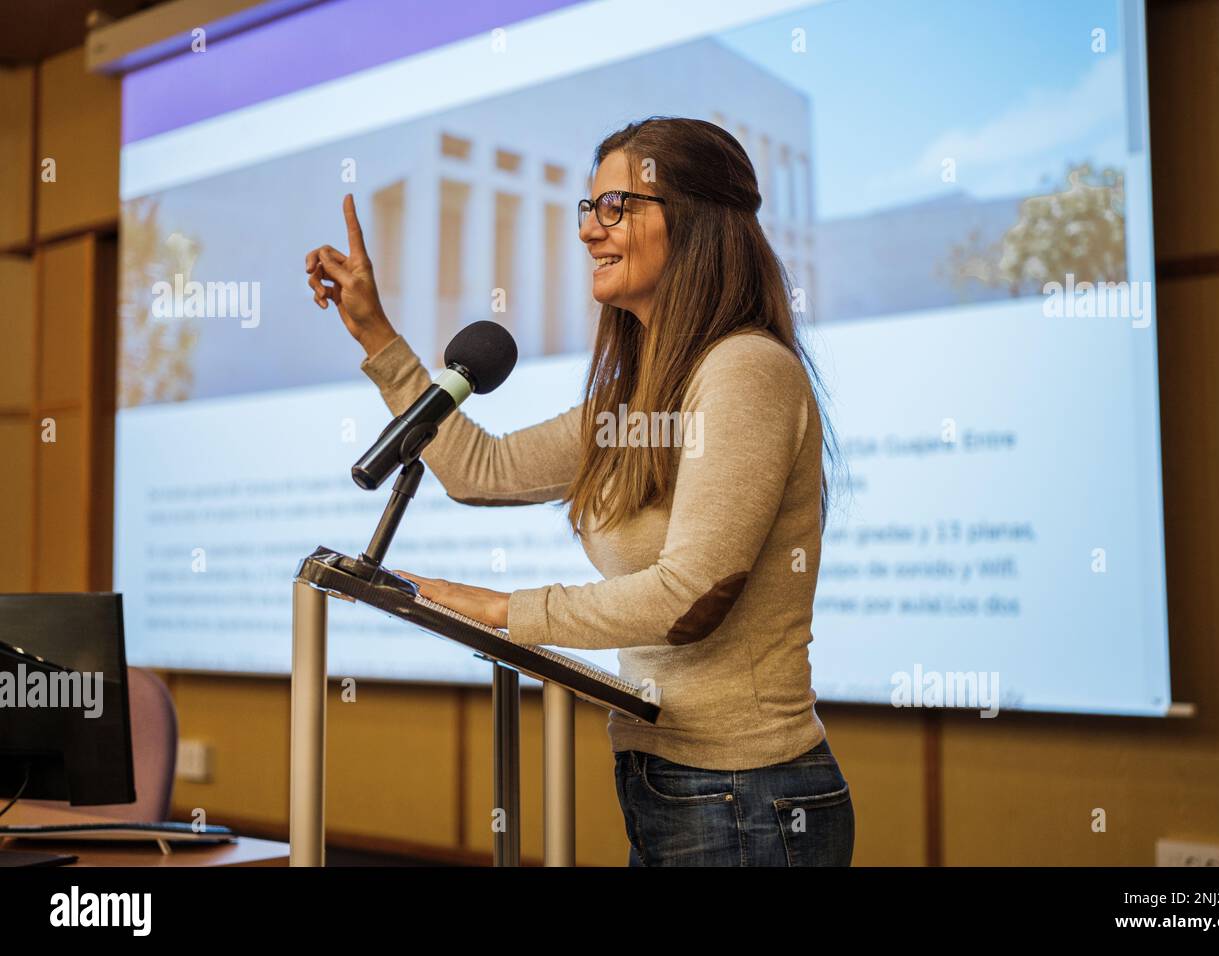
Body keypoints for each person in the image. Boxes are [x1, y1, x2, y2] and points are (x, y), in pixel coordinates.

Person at [305, 116, 853, 866]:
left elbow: (690, 597)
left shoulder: (746, 371)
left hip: (751, 798)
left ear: (694, 222)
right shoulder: (637, 403)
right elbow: (480, 470)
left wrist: (502, 611)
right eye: (589, 210)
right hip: (673, 786)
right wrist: (374, 332)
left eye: (616, 208)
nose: (591, 232)